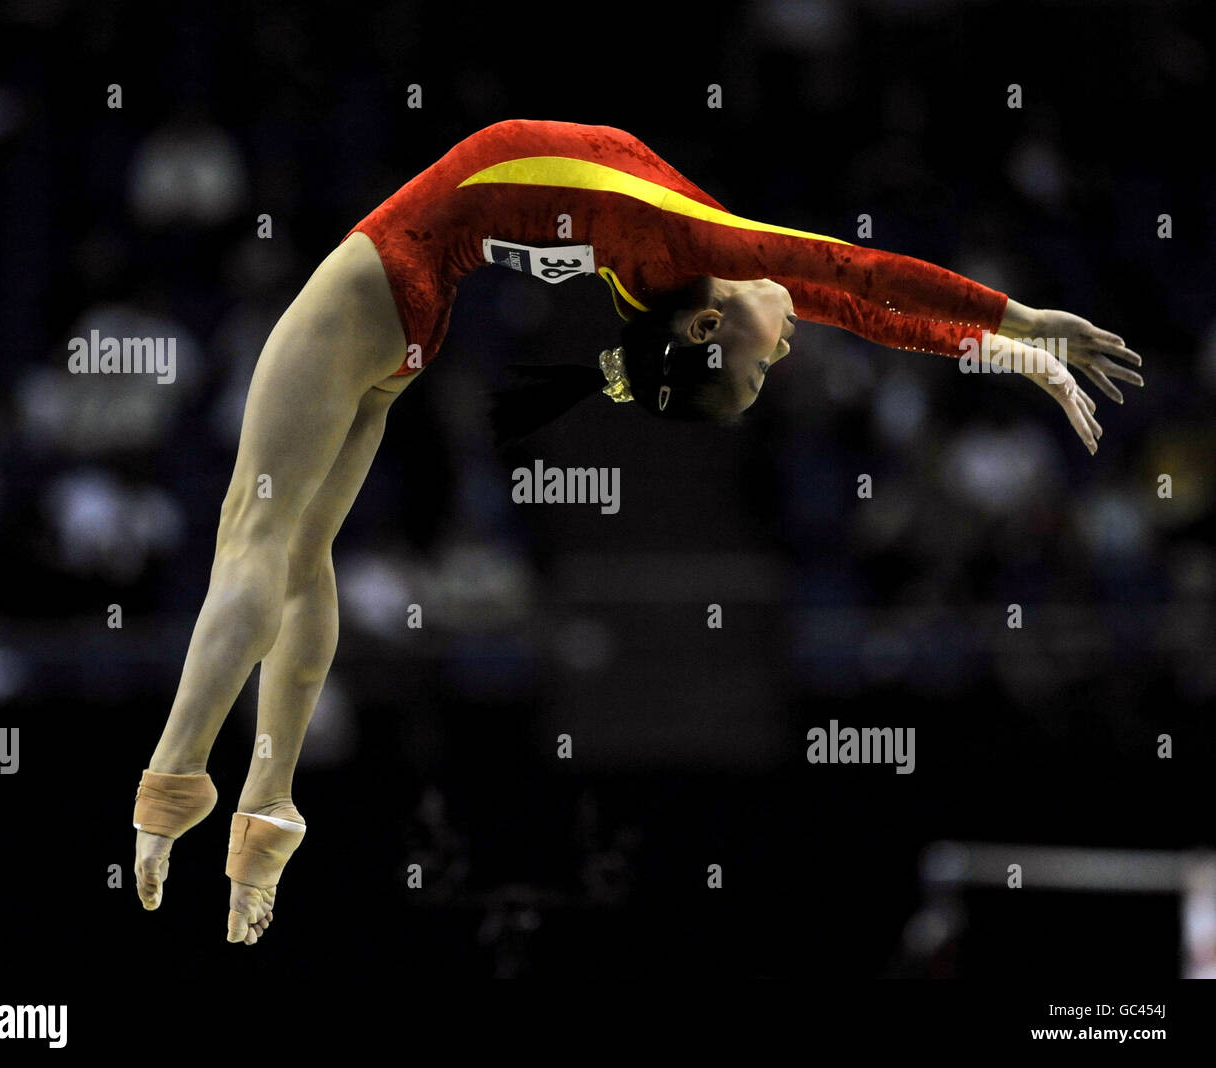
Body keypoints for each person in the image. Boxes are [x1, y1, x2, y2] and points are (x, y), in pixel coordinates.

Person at [129, 119, 1143, 944]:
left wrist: (1014, 324)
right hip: (416, 313)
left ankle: (172, 785)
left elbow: (852, 275)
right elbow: (855, 290)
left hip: (389, 268)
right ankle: (268, 810)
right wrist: (1004, 339)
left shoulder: (701, 255)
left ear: (707, 329)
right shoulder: (691, 259)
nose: (782, 353)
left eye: (755, 370)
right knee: (301, 556)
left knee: (251, 540)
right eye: (762, 374)